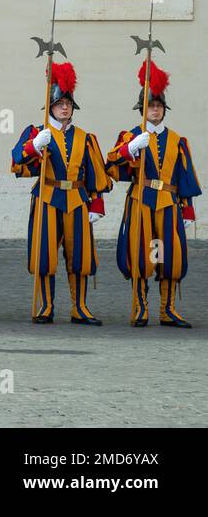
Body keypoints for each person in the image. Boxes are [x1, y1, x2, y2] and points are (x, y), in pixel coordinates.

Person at [11, 61, 112, 325]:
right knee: (45, 255)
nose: (64, 107)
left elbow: (94, 174)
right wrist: (34, 145)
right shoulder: (37, 133)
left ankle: (80, 307)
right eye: (59, 103)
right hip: (47, 197)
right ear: (51, 107)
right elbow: (17, 160)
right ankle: (46, 306)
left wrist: (97, 204)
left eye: (67, 103)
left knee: (79, 256)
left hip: (77, 200)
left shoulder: (84, 137)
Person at [105, 61, 199, 327]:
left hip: (168, 202)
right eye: (150, 106)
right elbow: (110, 165)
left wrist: (188, 210)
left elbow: (185, 177)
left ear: (163, 110)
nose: (154, 110)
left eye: (158, 106)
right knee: (140, 254)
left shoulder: (178, 140)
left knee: (169, 255)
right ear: (142, 109)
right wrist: (131, 148)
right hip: (141, 200)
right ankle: (140, 306)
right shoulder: (130, 135)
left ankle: (167, 309)